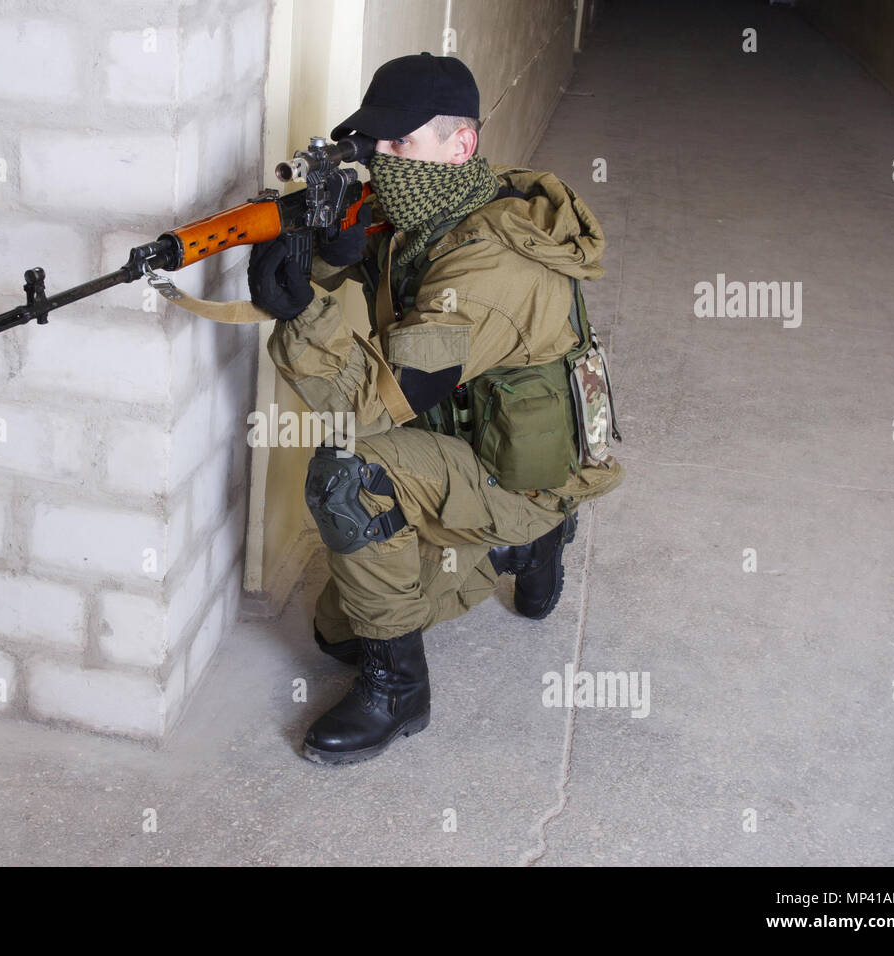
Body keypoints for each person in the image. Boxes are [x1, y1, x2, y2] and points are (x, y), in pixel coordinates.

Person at [247, 53, 624, 765]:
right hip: (462, 438)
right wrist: (333, 255)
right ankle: (517, 549)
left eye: (403, 144)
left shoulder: (489, 268)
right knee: (337, 634)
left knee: (349, 474)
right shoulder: (433, 211)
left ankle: (403, 688)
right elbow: (377, 275)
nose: (385, 163)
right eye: (376, 147)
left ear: (463, 145)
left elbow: (366, 407)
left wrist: (299, 311)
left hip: (517, 475)